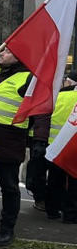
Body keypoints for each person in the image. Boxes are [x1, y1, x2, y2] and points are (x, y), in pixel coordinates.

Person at [0, 47, 49, 245]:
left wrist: (40, 139)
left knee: (9, 187)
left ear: (19, 57)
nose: (0, 53)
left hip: (9, 140)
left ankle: (7, 229)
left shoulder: (28, 79)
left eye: (6, 52)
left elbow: (40, 110)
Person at [44, 71, 77, 223]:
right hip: (73, 148)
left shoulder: (59, 96)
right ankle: (70, 214)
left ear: (70, 83)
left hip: (55, 145)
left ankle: (52, 210)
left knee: (54, 179)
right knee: (73, 182)